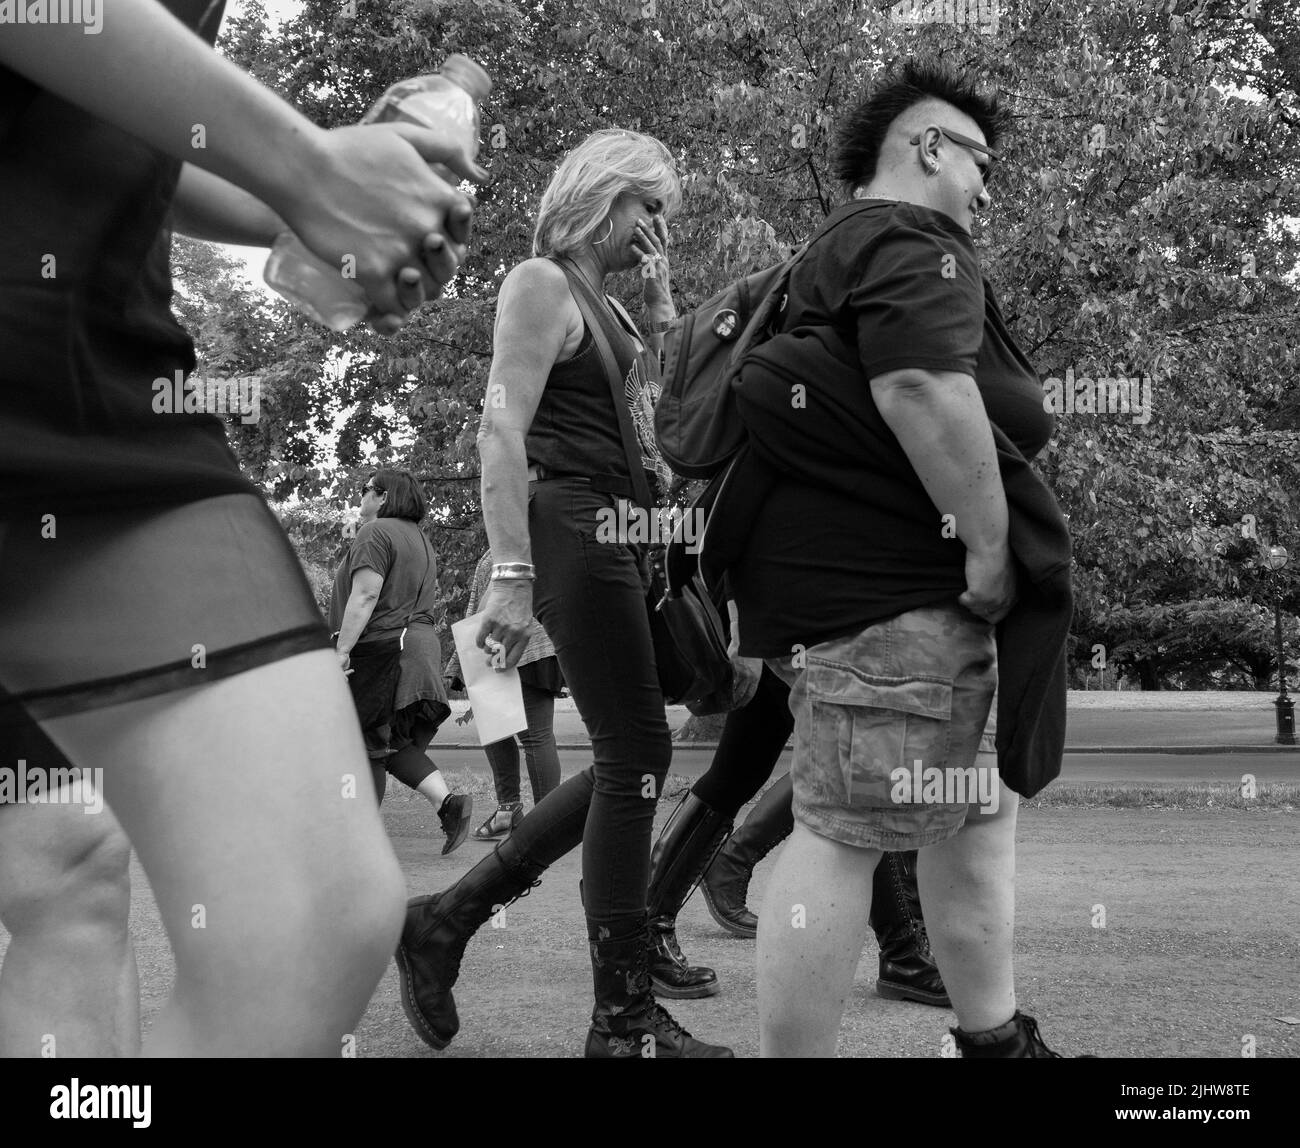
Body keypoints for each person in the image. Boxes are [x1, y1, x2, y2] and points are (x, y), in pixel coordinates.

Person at [0, 0, 484, 1056]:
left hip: (90, 371)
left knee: (252, 905)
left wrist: (295, 204)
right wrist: (307, 163)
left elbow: (110, 115)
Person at [723, 60, 1081, 1057]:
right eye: (979, 162)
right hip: (896, 604)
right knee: (840, 838)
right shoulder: (908, 239)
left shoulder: (844, 251)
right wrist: (990, 547)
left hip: (905, 609)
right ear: (928, 146)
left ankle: (996, 1037)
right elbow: (922, 388)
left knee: (969, 828)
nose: (986, 187)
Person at [395, 129, 732, 1057]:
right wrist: (509, 575)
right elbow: (500, 433)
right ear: (602, 196)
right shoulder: (540, 283)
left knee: (635, 754)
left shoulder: (616, 314)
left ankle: (451, 918)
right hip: (572, 527)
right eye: (649, 207)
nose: (658, 228)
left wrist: (662, 320)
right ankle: (618, 1022)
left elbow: (658, 432)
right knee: (635, 755)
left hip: (621, 532)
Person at [648, 664, 952, 1008]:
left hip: (783, 633)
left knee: (740, 770)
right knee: (860, 771)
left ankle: (642, 927)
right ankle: (903, 951)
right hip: (810, 633)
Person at [330, 469, 471, 854]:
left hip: (385, 647)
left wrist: (341, 651)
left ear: (383, 496)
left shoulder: (375, 533)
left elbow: (365, 596)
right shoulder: (419, 539)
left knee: (368, 743)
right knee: (392, 742)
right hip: (419, 645)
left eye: (366, 489)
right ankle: (449, 804)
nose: (361, 495)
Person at [445, 549, 563, 841]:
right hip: (496, 647)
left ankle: (548, 824)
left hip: (524, 644)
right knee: (496, 731)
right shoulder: (496, 545)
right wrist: (460, 657)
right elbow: (478, 605)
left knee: (534, 736)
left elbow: (502, 594)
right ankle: (509, 811)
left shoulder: (526, 534)